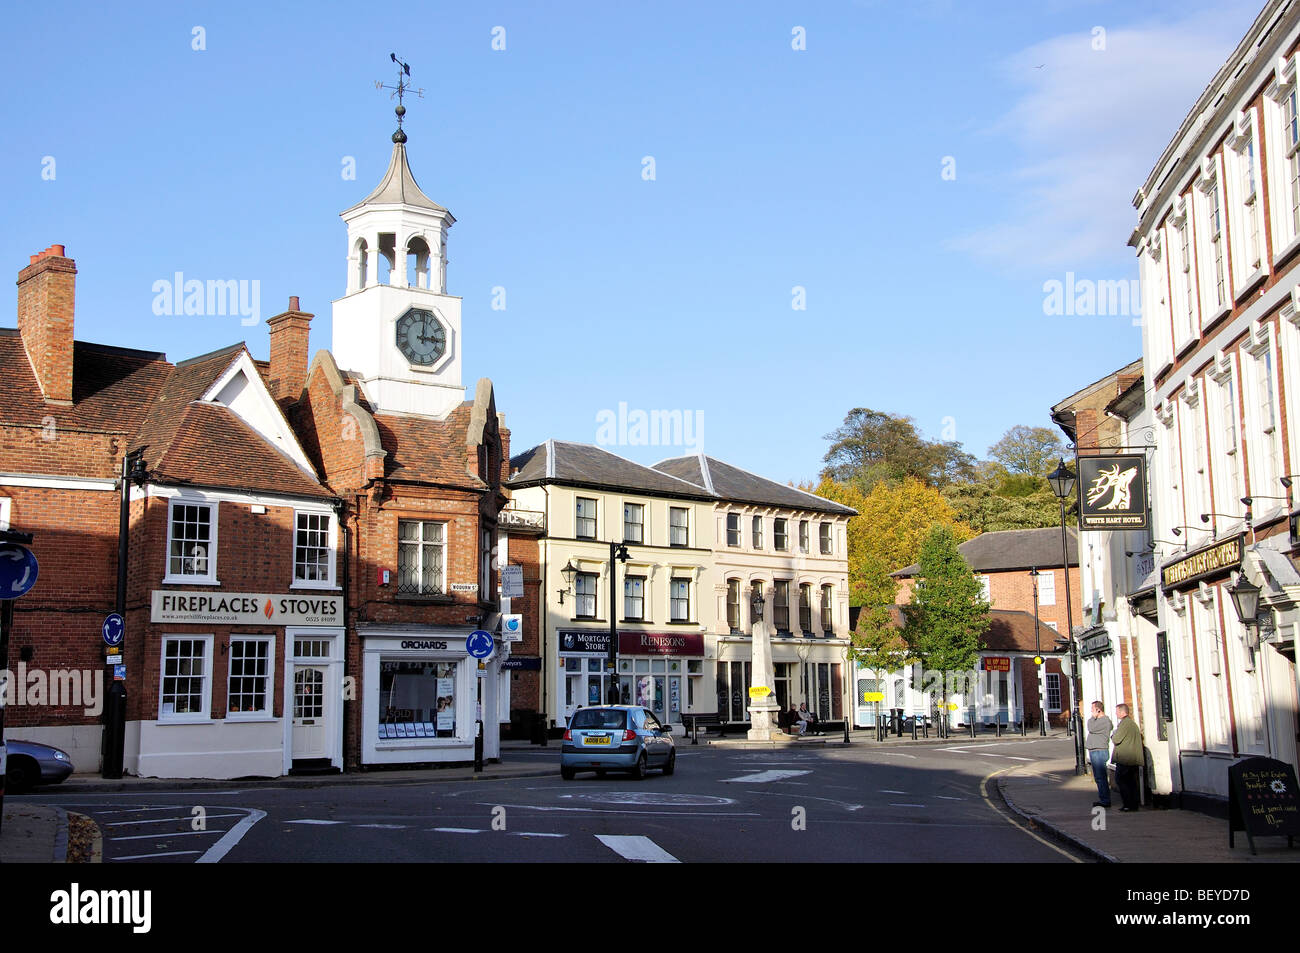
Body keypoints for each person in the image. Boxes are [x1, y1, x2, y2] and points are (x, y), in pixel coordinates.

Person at [1110, 703, 1144, 812]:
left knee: (1122, 781)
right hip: (1131, 758)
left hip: (1126, 758)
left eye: (1117, 711)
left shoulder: (1125, 724)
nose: (1116, 713)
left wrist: (1113, 735)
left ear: (1123, 712)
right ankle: (1133, 804)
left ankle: (1128, 805)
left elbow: (1116, 739)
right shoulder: (1131, 723)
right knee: (1131, 782)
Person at [1084, 701, 1112, 808]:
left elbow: (1090, 727)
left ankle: (1105, 800)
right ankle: (1103, 798)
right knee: (1098, 777)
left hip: (1099, 751)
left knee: (1101, 777)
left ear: (1098, 710)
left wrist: (1093, 717)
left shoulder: (1104, 721)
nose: (1091, 711)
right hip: (1095, 751)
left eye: (1093, 709)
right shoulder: (1099, 721)